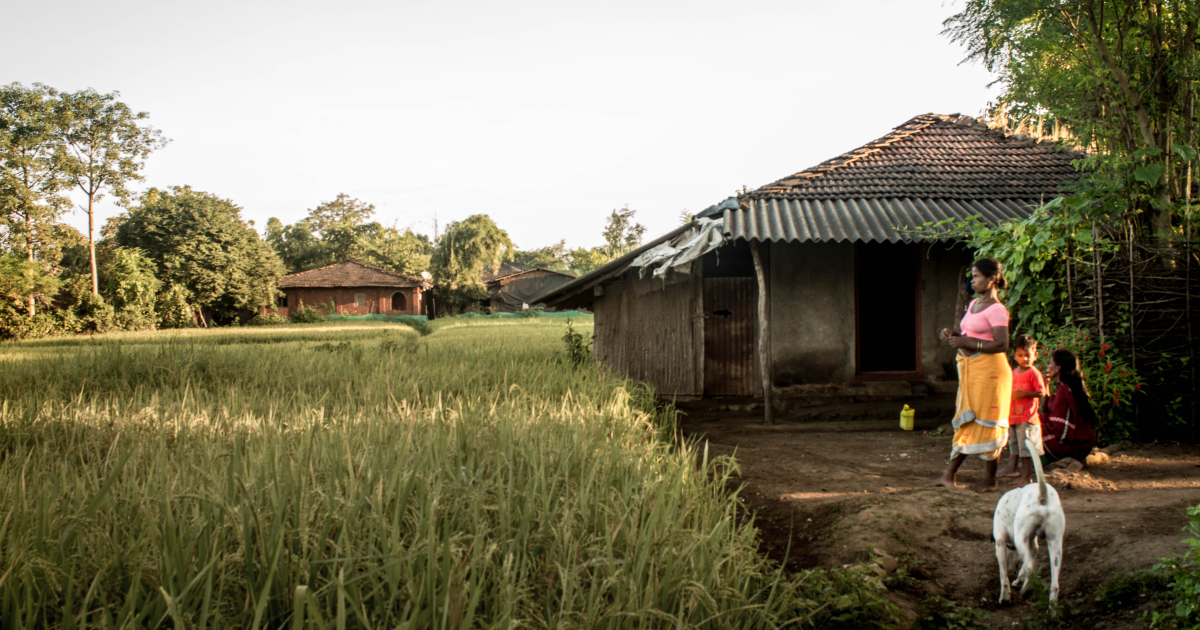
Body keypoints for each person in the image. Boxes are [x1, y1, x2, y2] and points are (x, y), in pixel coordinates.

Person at [929, 258, 1012, 492]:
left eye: (976, 276)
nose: (972, 281)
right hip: (972, 372)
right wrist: (954, 335)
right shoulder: (974, 303)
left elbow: (1002, 344)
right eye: (972, 277)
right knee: (968, 420)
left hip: (990, 374)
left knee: (988, 421)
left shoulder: (997, 310)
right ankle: (949, 475)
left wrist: (968, 343)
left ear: (991, 279)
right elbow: (971, 334)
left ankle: (990, 480)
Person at [997, 335, 1047, 486]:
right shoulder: (1013, 373)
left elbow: (1042, 392)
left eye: (1027, 355)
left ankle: (1026, 477)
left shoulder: (1034, 373)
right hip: (1013, 417)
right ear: (1014, 356)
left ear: (1035, 355)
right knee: (1014, 445)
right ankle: (1012, 468)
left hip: (1027, 418)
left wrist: (1024, 394)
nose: (1024, 359)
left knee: (1026, 448)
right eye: (1020, 355)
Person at [1041, 349, 1098, 462]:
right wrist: (1045, 385)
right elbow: (1047, 406)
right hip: (1080, 445)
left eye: (1050, 363)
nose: (1048, 367)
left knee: (1032, 427)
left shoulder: (1065, 391)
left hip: (1072, 447)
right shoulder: (1066, 387)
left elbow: (1059, 429)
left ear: (1058, 368)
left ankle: (1042, 463)